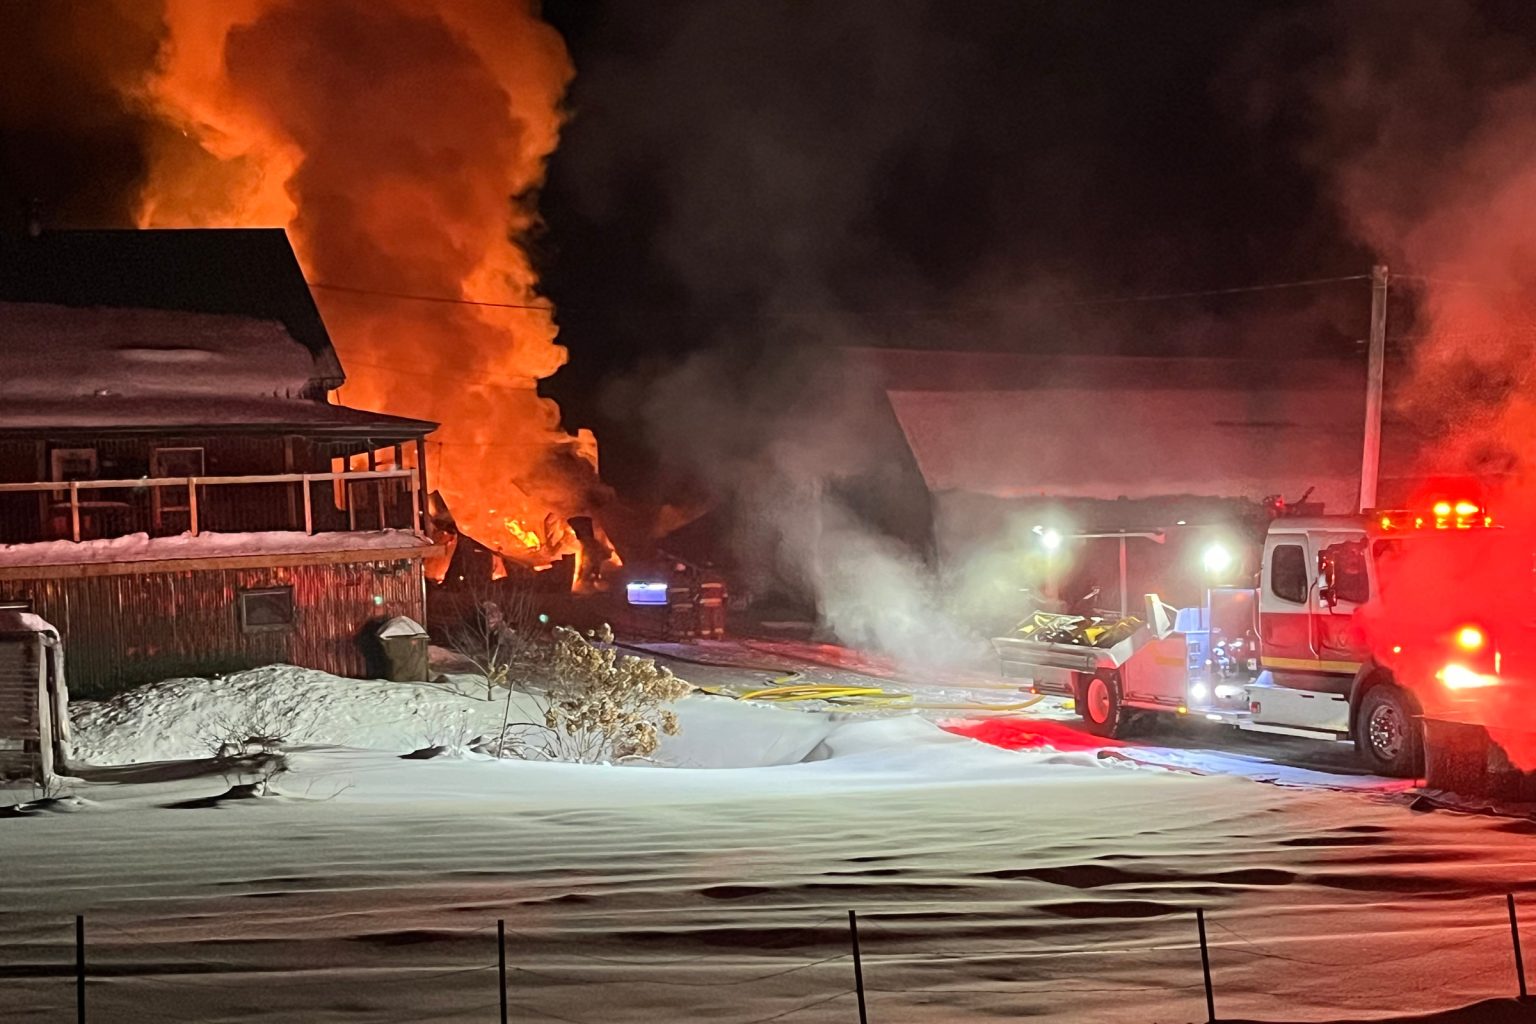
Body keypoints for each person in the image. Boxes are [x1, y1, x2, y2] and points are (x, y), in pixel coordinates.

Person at [666, 561, 698, 641]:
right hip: (688, 604)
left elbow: (668, 593)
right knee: (688, 620)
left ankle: (679, 637)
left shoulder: (672, 581)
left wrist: (669, 602)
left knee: (678, 620)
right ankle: (689, 637)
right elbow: (695, 591)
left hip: (676, 604)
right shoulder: (689, 580)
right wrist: (693, 601)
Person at [694, 566, 728, 639]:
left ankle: (706, 635)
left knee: (705, 619)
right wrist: (724, 603)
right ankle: (719, 635)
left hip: (704, 604)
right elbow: (725, 594)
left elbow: (697, 593)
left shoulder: (702, 580)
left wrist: (695, 601)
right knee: (718, 619)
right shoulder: (720, 580)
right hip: (718, 604)